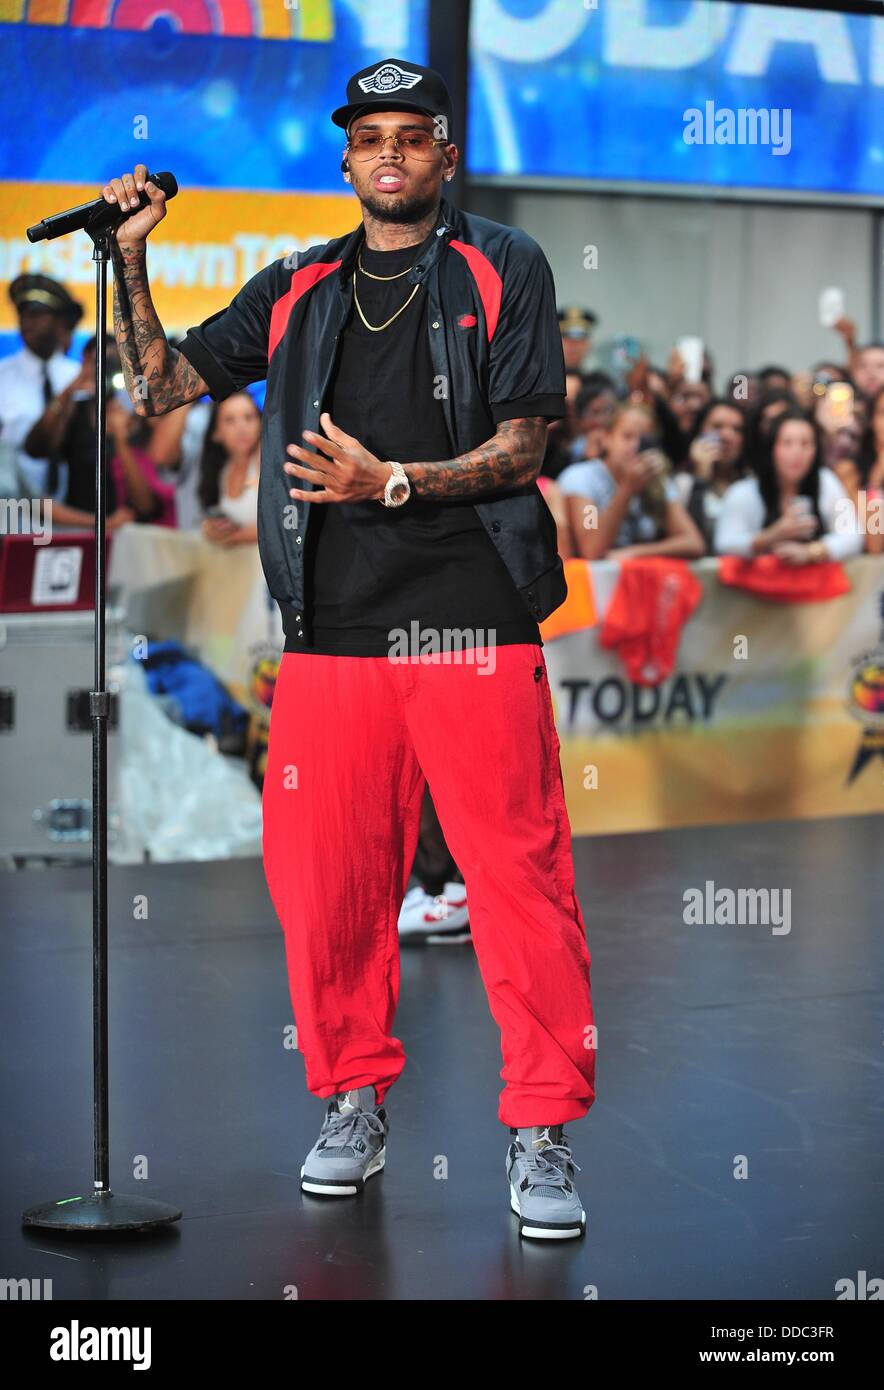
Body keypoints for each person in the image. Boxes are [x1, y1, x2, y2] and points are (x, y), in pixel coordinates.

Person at [104, 58, 595, 1242]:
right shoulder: (299, 282)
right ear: (344, 160)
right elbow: (157, 380)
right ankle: (349, 1100)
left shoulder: (501, 265)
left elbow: (526, 443)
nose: (390, 154)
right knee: (325, 892)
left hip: (476, 623)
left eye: (411, 136)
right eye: (368, 136)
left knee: (517, 886)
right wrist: (128, 253)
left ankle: (540, 1126)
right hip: (329, 639)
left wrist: (396, 483)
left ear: (442, 154)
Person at [558, 400, 706, 561]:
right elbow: (592, 547)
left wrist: (636, 553)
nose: (635, 446)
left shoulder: (656, 480)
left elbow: (693, 543)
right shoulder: (582, 479)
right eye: (627, 437)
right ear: (607, 438)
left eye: (643, 440)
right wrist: (627, 490)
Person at [714, 408, 863, 564]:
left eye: (805, 444)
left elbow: (853, 536)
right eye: (787, 443)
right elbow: (724, 543)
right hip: (756, 584)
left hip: (814, 584)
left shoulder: (826, 481)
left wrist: (812, 551)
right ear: (772, 448)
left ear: (816, 450)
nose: (797, 452)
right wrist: (771, 536)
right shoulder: (744, 492)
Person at [0, 274, 82, 501]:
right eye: (22, 314)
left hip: (73, 510)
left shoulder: (79, 375)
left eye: (36, 314)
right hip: (11, 512)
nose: (27, 322)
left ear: (60, 321)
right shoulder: (2, 376)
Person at [674, 398, 747, 552]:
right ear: (699, 432)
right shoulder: (682, 483)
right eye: (717, 427)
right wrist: (700, 478)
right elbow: (693, 543)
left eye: (737, 429)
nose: (726, 436)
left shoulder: (752, 483)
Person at [197, 392, 262, 546]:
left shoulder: (267, 462)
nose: (242, 428)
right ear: (216, 433)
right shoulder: (220, 472)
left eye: (249, 417)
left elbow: (285, 525)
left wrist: (231, 538)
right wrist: (209, 529)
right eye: (230, 420)